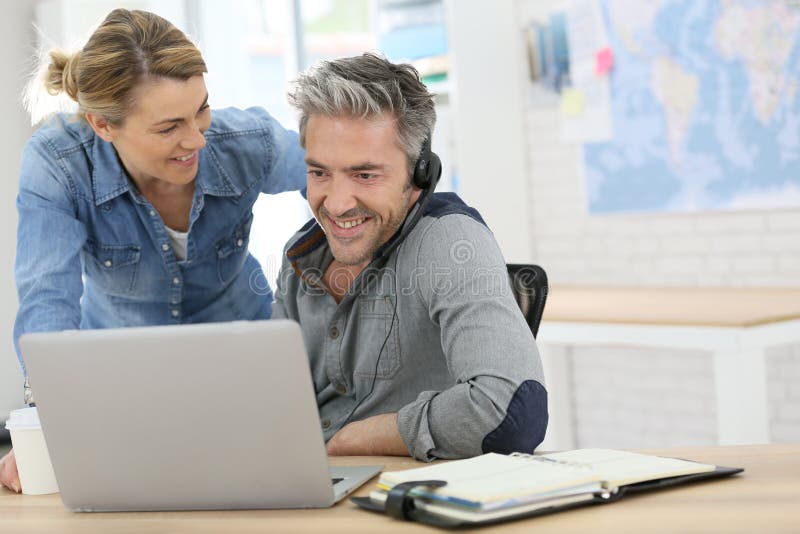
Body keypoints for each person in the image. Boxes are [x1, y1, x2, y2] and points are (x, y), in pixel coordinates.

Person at [0, 9, 305, 492]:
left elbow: (338, 175)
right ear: (103, 125)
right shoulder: (59, 163)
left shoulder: (245, 143)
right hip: (122, 379)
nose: (197, 138)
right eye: (168, 128)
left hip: (244, 367)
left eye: (202, 108)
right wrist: (46, 424)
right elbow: (47, 299)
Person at [274, 53, 548, 461]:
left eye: (365, 175)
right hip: (310, 485)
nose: (337, 203)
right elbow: (274, 405)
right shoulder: (301, 255)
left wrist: (357, 438)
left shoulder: (449, 242)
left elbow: (510, 411)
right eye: (320, 173)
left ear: (420, 174)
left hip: (409, 489)